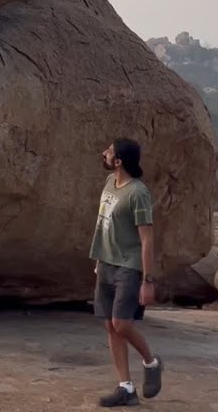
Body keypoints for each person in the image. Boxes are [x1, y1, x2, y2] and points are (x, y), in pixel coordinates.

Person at [89, 138, 164, 407]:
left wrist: (148, 280)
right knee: (110, 326)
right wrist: (100, 258)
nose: (104, 153)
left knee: (122, 324)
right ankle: (126, 387)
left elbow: (147, 239)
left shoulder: (138, 193)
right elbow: (104, 224)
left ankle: (151, 362)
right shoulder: (110, 183)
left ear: (119, 160)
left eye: (108, 151)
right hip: (107, 263)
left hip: (129, 267)